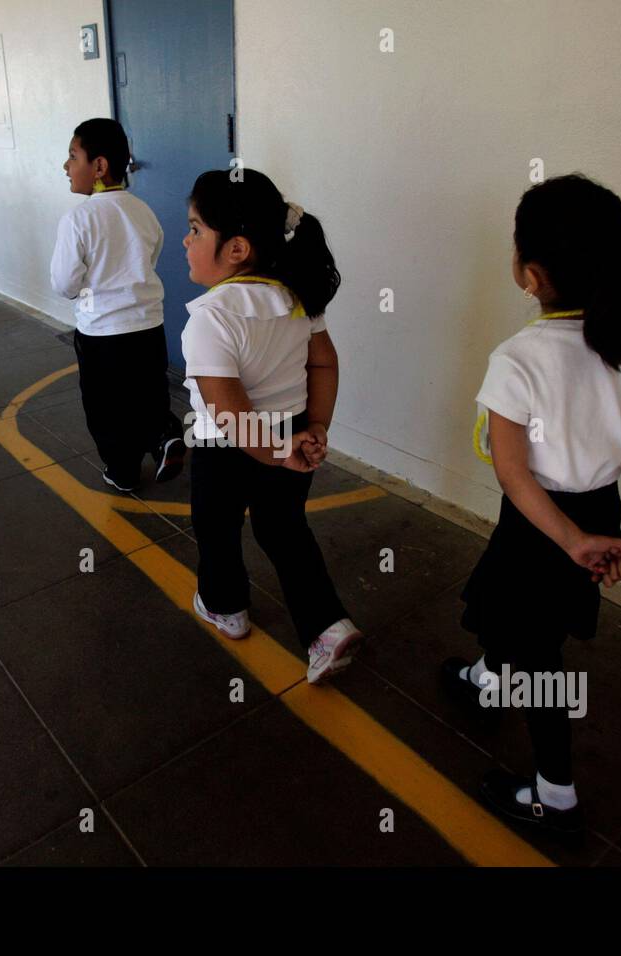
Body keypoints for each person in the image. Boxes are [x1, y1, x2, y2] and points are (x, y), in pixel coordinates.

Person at [441, 173, 621, 834]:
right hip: (598, 513)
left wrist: (567, 541)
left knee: (538, 660)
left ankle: (556, 796)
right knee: (513, 618)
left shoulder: (517, 359)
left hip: (541, 525)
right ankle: (486, 680)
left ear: (530, 274)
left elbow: (514, 475)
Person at [181, 167, 361, 685]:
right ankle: (326, 627)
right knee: (284, 529)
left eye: (195, 229)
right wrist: (316, 426)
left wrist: (279, 451)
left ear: (236, 248)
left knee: (216, 527)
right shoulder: (297, 297)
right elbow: (323, 364)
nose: (187, 241)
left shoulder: (210, 318)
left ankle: (226, 608)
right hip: (294, 434)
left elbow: (231, 416)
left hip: (227, 447)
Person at [49, 118, 184, 492]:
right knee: (147, 392)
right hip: (148, 327)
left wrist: (80, 290)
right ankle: (163, 434)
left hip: (102, 333)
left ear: (100, 167)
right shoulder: (144, 211)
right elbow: (150, 257)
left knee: (107, 407)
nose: (66, 166)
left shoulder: (78, 218)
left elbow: (63, 283)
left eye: (73, 156)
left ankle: (122, 470)